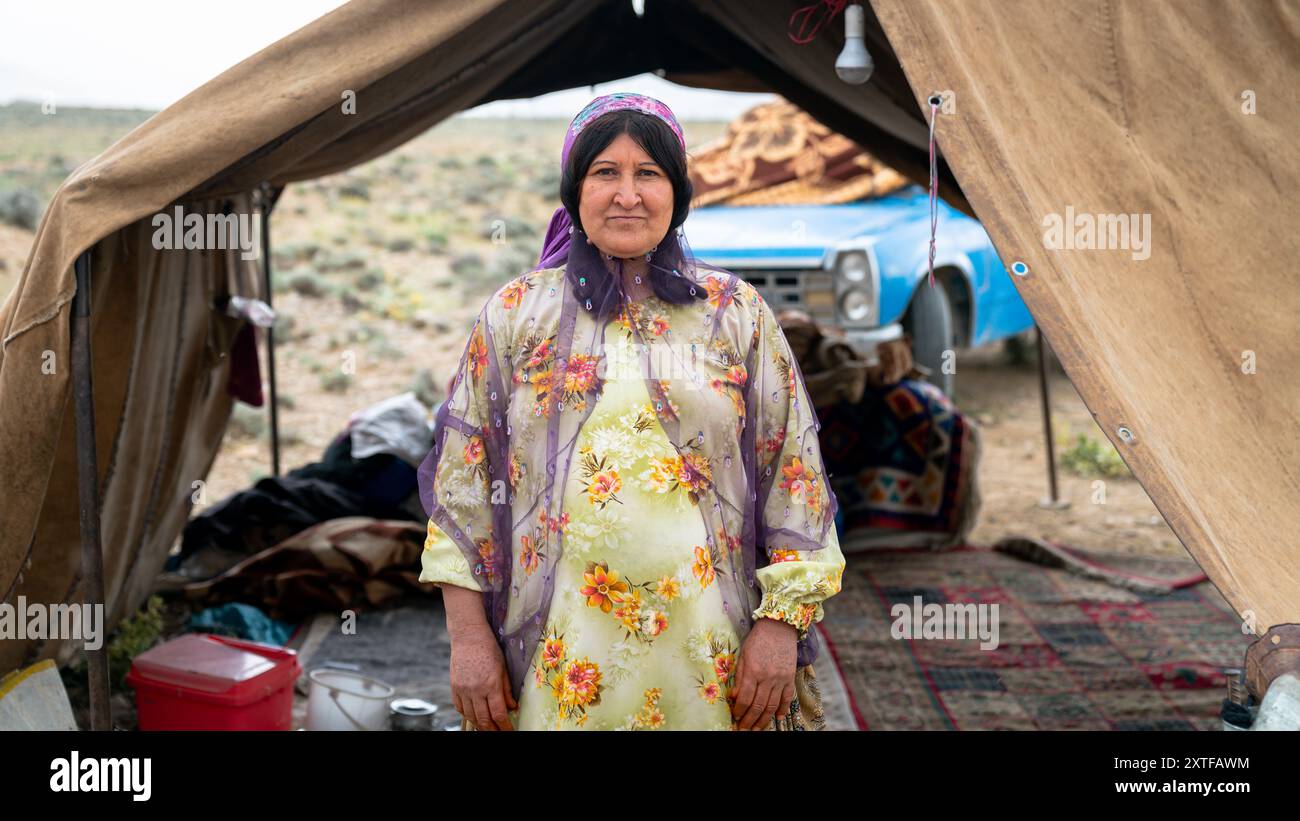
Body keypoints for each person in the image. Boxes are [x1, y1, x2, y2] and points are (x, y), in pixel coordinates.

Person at [418, 92, 845, 731]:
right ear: (574, 189)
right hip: (557, 657)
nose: (627, 194)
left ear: (677, 191)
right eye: (605, 173)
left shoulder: (735, 313)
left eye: (648, 173)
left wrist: (781, 629)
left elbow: (795, 476)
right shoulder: (514, 315)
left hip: (712, 650)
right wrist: (469, 640)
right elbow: (465, 488)